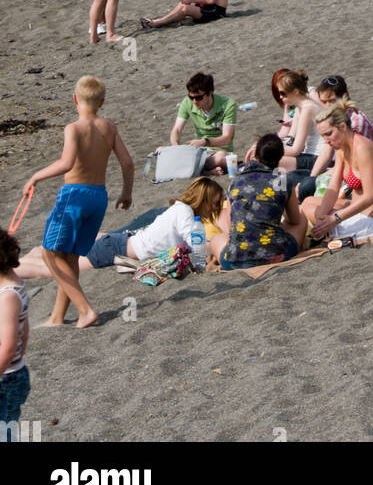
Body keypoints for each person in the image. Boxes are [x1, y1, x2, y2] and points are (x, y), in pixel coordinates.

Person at [24, 75, 134, 328]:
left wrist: (35, 177)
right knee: (70, 255)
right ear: (102, 102)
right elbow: (127, 163)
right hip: (99, 197)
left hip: (74, 195)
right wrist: (126, 193)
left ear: (75, 99)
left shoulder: (73, 128)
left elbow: (67, 163)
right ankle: (57, 316)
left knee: (50, 254)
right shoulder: (110, 127)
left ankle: (85, 311)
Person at [14, 178, 228, 276]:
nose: (216, 208)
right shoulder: (184, 213)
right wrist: (219, 247)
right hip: (115, 250)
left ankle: (37, 252)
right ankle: (9, 267)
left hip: (123, 244)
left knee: (60, 261)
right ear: (204, 199)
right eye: (215, 203)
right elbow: (196, 243)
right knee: (54, 271)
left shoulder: (182, 210)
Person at [301, 103, 373, 242]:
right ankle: (322, 228)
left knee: (307, 212)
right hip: (358, 214)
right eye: (323, 136)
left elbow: (370, 196)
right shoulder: (341, 148)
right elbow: (333, 187)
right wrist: (323, 217)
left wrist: (334, 219)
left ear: (343, 127)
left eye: (329, 134)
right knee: (307, 203)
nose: (326, 141)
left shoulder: (362, 147)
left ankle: (322, 231)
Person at [220, 135, 306, 270]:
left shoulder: (236, 181)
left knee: (217, 239)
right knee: (301, 219)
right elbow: (295, 220)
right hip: (273, 256)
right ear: (281, 157)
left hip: (234, 261)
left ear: (257, 155)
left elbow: (231, 223)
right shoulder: (282, 181)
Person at [265, 69, 328, 200]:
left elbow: (295, 149)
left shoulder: (308, 108)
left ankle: (280, 198)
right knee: (269, 159)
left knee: (276, 162)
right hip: (308, 155)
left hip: (316, 157)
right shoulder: (300, 106)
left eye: (283, 93)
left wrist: (268, 151)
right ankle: (280, 195)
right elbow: (290, 138)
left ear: (295, 91)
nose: (281, 97)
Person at [168, 72, 236, 174]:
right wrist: (176, 146)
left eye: (199, 98)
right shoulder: (187, 102)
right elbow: (176, 129)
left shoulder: (228, 105)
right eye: (191, 98)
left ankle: (200, 169)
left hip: (219, 151)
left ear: (210, 92)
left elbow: (226, 138)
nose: (194, 101)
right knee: (163, 151)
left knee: (223, 158)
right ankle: (205, 170)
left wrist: (205, 141)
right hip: (199, 151)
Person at [0, 228, 30, 441]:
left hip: (6, 379)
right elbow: (24, 331)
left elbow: (9, 347)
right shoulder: (13, 282)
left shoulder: (8, 296)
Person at [315, 76, 373, 149]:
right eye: (324, 102)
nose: (328, 106)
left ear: (345, 97)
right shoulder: (331, 118)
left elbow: (353, 153)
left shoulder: (356, 122)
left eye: (332, 101)